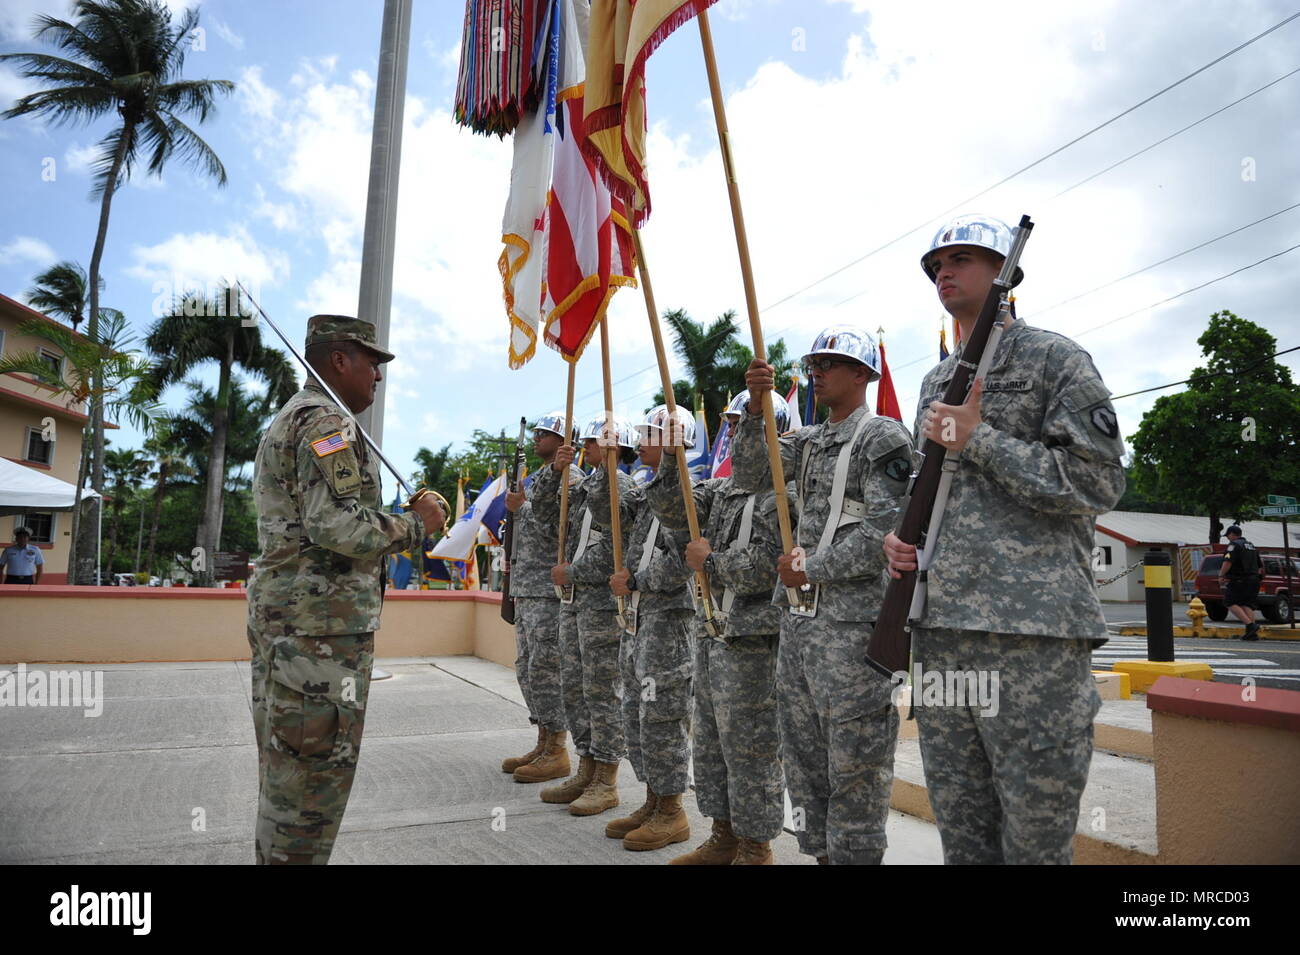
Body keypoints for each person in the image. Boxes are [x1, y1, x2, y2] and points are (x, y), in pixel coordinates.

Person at [883, 213, 1126, 865]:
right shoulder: (936, 382)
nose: (945, 272)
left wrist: (980, 439)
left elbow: (1099, 481)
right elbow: (922, 487)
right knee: (964, 837)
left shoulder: (1054, 358)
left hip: (1032, 639)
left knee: (1034, 841)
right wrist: (898, 540)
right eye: (938, 264)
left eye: (962, 259)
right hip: (940, 636)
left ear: (1004, 273)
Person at [246, 314, 446, 865]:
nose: (378, 376)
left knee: (290, 775)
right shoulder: (324, 422)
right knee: (310, 788)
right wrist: (416, 523)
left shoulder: (303, 417)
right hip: (318, 638)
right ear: (339, 360)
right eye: (371, 362)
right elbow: (336, 527)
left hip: (302, 629)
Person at [736, 329, 914, 865]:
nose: (818, 372)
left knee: (855, 764)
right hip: (800, 626)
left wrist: (811, 568)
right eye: (815, 363)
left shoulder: (883, 438)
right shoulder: (810, 440)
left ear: (862, 374)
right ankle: (821, 856)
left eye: (831, 364)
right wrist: (756, 407)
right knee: (804, 760)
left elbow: (884, 532)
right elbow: (748, 472)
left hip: (852, 630)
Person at [647, 391, 792, 865]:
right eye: (731, 426)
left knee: (752, 749)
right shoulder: (725, 491)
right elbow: (674, 510)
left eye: (743, 425)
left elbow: (768, 569)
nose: (734, 434)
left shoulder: (785, 494)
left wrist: (713, 561)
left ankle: (756, 846)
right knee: (711, 745)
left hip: (754, 641)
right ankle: (723, 834)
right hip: (713, 637)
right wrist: (671, 460)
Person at [598, 405, 695, 851]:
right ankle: (654, 798)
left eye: (651, 434)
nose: (640, 440)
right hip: (638, 620)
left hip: (668, 626)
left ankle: (673, 810)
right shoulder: (650, 490)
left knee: (662, 719)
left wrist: (638, 579)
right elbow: (607, 513)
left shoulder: (693, 493)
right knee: (636, 716)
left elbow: (685, 562)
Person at [530, 414, 637, 816]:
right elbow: (542, 514)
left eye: (592, 442)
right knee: (574, 688)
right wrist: (555, 471)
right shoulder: (586, 485)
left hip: (601, 607)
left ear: (613, 446)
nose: (584, 446)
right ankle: (586, 765)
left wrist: (573, 571)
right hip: (575, 604)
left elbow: (617, 550)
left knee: (602, 691)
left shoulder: (620, 489)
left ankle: (606, 778)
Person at [502, 412, 583, 782]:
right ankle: (543, 739)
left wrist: (524, 509)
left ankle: (557, 750)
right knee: (529, 668)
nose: (536, 439)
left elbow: (560, 530)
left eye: (543, 434)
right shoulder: (540, 478)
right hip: (528, 585)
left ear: (563, 440)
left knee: (547, 669)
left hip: (547, 590)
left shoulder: (572, 478)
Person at [1219, 525, 1262, 641]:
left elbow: (1227, 562)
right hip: (1254, 580)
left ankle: (1250, 625)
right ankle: (1252, 633)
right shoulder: (1251, 546)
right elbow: (1260, 566)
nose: (1228, 538)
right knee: (1246, 604)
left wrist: (1222, 575)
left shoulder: (1234, 545)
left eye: (1228, 535)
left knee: (1229, 602)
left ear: (1233, 534)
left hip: (1240, 580)